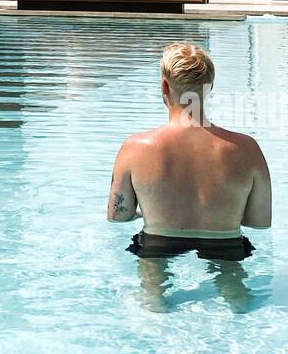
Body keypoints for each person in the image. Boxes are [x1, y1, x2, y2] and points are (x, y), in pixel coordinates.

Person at [107, 41, 271, 261]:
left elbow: (118, 216)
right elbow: (259, 222)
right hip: (227, 243)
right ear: (209, 87)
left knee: (151, 292)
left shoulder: (135, 148)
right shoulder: (247, 149)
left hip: (156, 242)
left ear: (164, 86)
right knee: (236, 292)